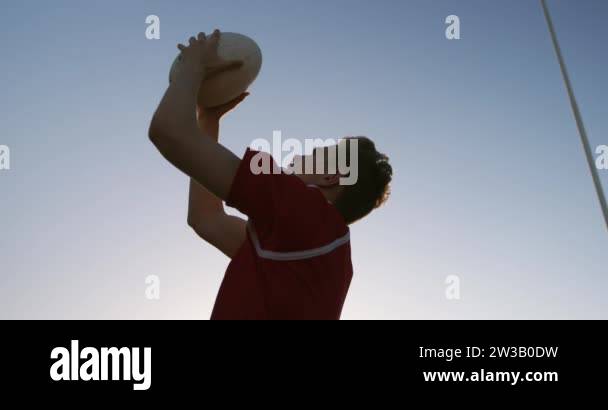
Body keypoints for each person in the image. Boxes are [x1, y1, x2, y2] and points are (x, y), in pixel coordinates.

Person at [149, 30, 392, 320]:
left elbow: (169, 132)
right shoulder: (312, 245)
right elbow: (206, 219)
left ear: (331, 176)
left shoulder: (308, 216)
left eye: (320, 151)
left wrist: (193, 64)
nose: (305, 152)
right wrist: (208, 119)